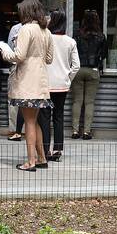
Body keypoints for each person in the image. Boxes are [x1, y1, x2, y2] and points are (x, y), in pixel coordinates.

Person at [0, 0, 55, 171]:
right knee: (35, 121)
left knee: (29, 122)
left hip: (26, 81)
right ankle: (41, 158)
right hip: (41, 80)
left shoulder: (26, 29)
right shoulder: (46, 31)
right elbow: (49, 59)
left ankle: (30, 162)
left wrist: (5, 53)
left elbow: (19, 56)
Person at [43, 10, 80, 161]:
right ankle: (58, 149)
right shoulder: (70, 41)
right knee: (58, 116)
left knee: (44, 118)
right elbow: (76, 66)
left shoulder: (46, 38)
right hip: (62, 85)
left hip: (46, 83)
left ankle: (45, 150)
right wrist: (67, 78)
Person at [71, 9, 105, 140]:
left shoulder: (77, 35)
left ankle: (75, 131)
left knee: (77, 101)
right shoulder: (101, 36)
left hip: (78, 70)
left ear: (83, 21)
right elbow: (104, 54)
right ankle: (86, 132)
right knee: (89, 102)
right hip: (93, 70)